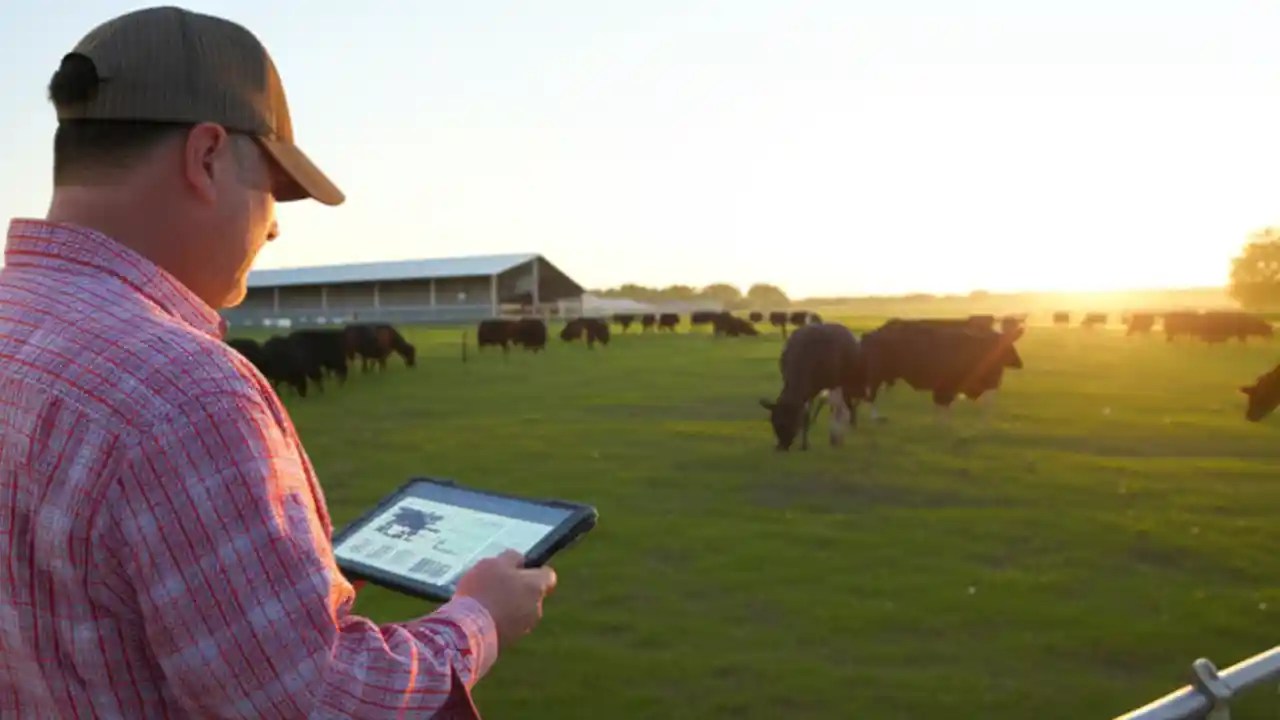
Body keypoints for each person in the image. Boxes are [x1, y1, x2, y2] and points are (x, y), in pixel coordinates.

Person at [0, 7, 556, 719]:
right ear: (205, 157)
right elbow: (314, 702)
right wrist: (480, 619)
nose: (275, 222)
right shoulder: (183, 392)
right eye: (271, 185)